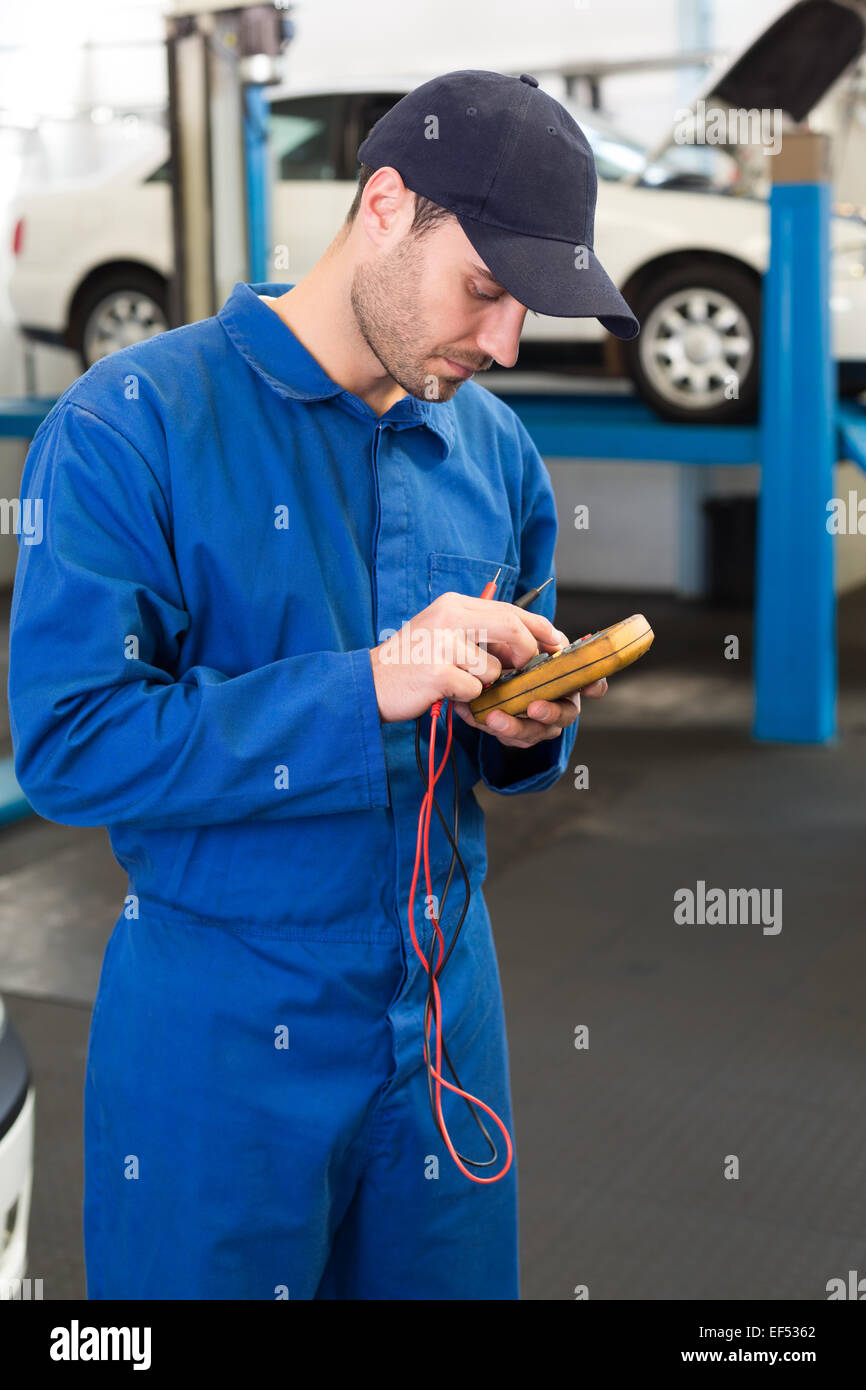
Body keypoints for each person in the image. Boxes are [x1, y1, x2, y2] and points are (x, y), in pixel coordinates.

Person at [8, 70, 638, 1300]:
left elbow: (499, 743)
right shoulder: (127, 429)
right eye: (487, 290)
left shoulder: (491, 448)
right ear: (387, 204)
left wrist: (520, 726)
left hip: (449, 1015)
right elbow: (74, 744)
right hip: (219, 1030)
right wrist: (362, 690)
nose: (505, 344)